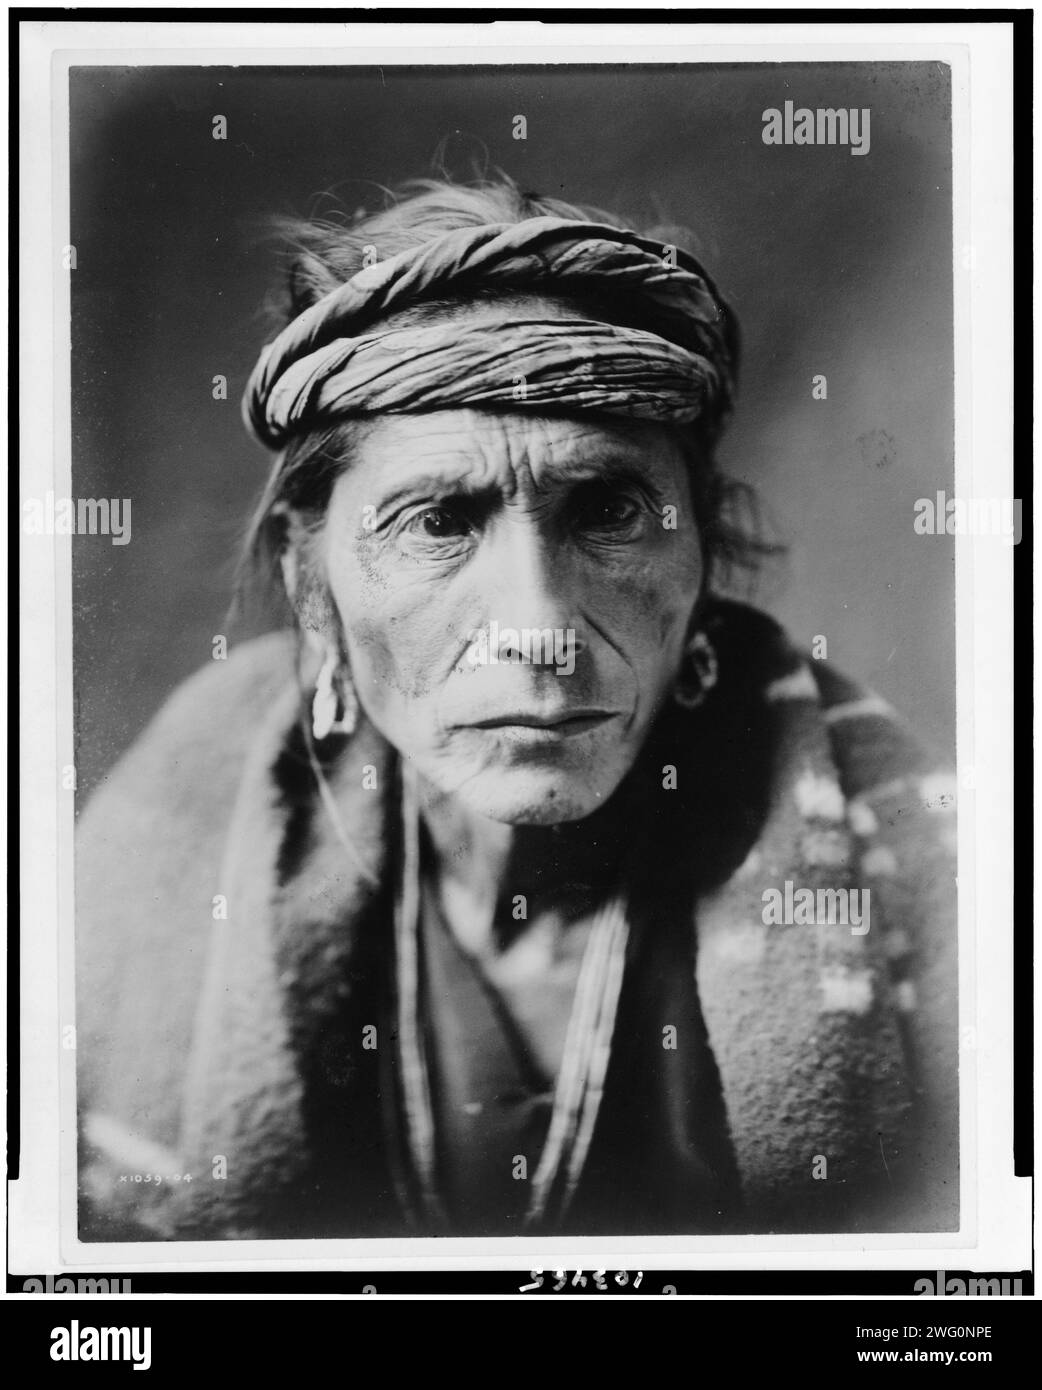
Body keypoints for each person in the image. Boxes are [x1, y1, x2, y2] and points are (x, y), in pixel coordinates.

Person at [77, 177, 957, 1241]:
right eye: (438, 520)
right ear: (313, 589)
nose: (537, 628)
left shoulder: (931, 877)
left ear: (704, 558)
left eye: (610, 510)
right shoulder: (168, 832)